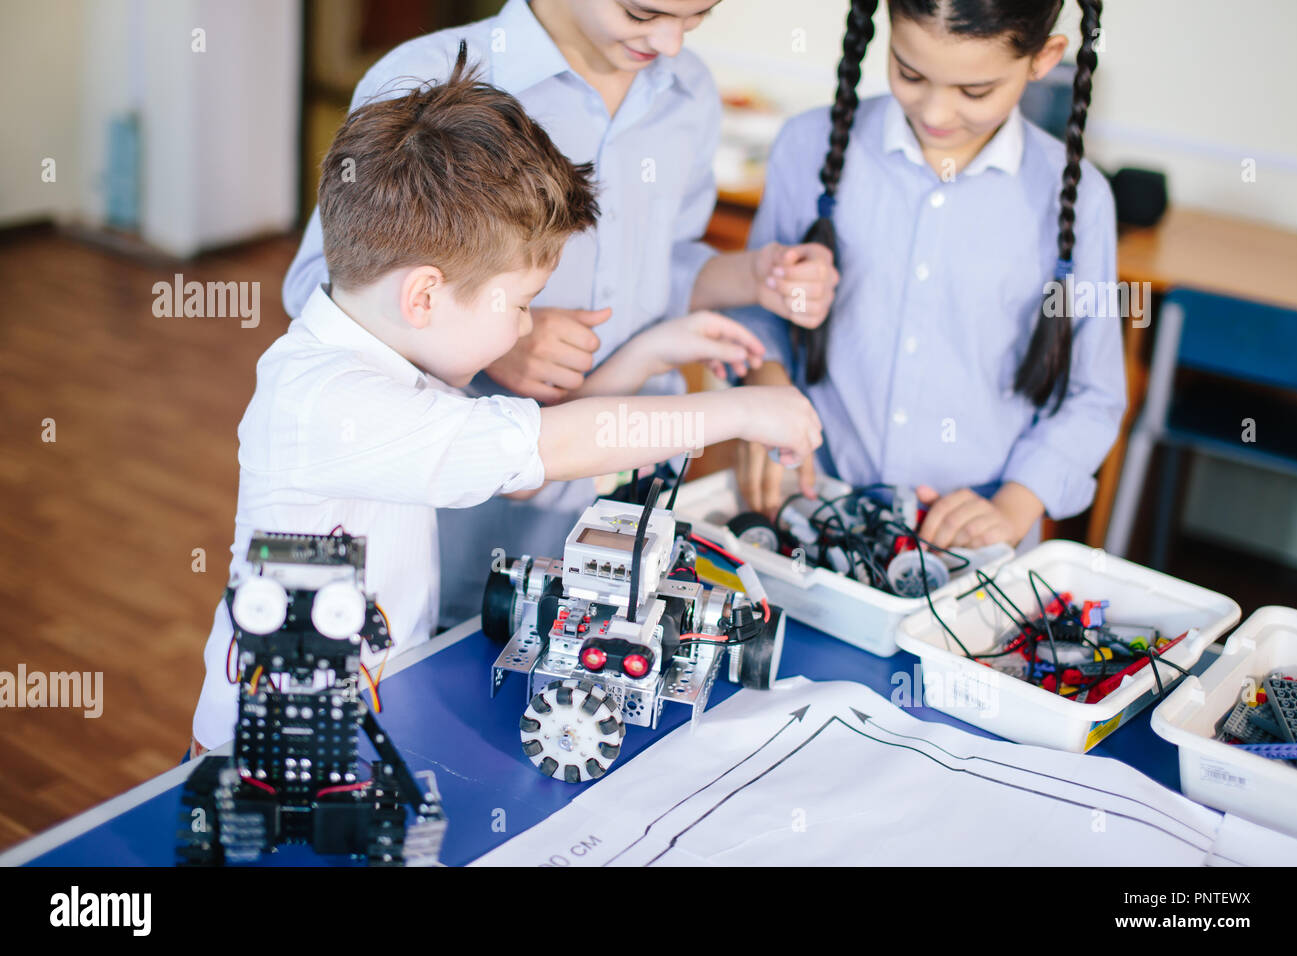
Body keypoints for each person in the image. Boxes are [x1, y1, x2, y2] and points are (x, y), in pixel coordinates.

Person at [190, 54, 822, 756]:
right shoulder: (332, 403)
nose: (526, 326)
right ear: (423, 296)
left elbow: (528, 461)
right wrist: (736, 414)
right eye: (521, 304)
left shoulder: (387, 360)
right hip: (269, 753)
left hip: (369, 715)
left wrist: (648, 355)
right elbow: (548, 447)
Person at [283, 0, 840, 624]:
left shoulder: (688, 92)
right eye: (642, 13)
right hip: (469, 528)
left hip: (618, 484)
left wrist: (739, 283)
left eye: (697, 18)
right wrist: (503, 338)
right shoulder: (425, 80)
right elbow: (338, 282)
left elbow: (662, 266)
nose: (671, 43)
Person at [735, 0, 1123, 551]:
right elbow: (758, 307)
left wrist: (1013, 505)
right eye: (909, 73)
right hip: (810, 509)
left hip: (973, 545)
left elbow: (1094, 391)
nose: (936, 113)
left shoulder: (1084, 200)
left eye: (975, 91)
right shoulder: (807, 145)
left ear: (1044, 58)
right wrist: (763, 383)